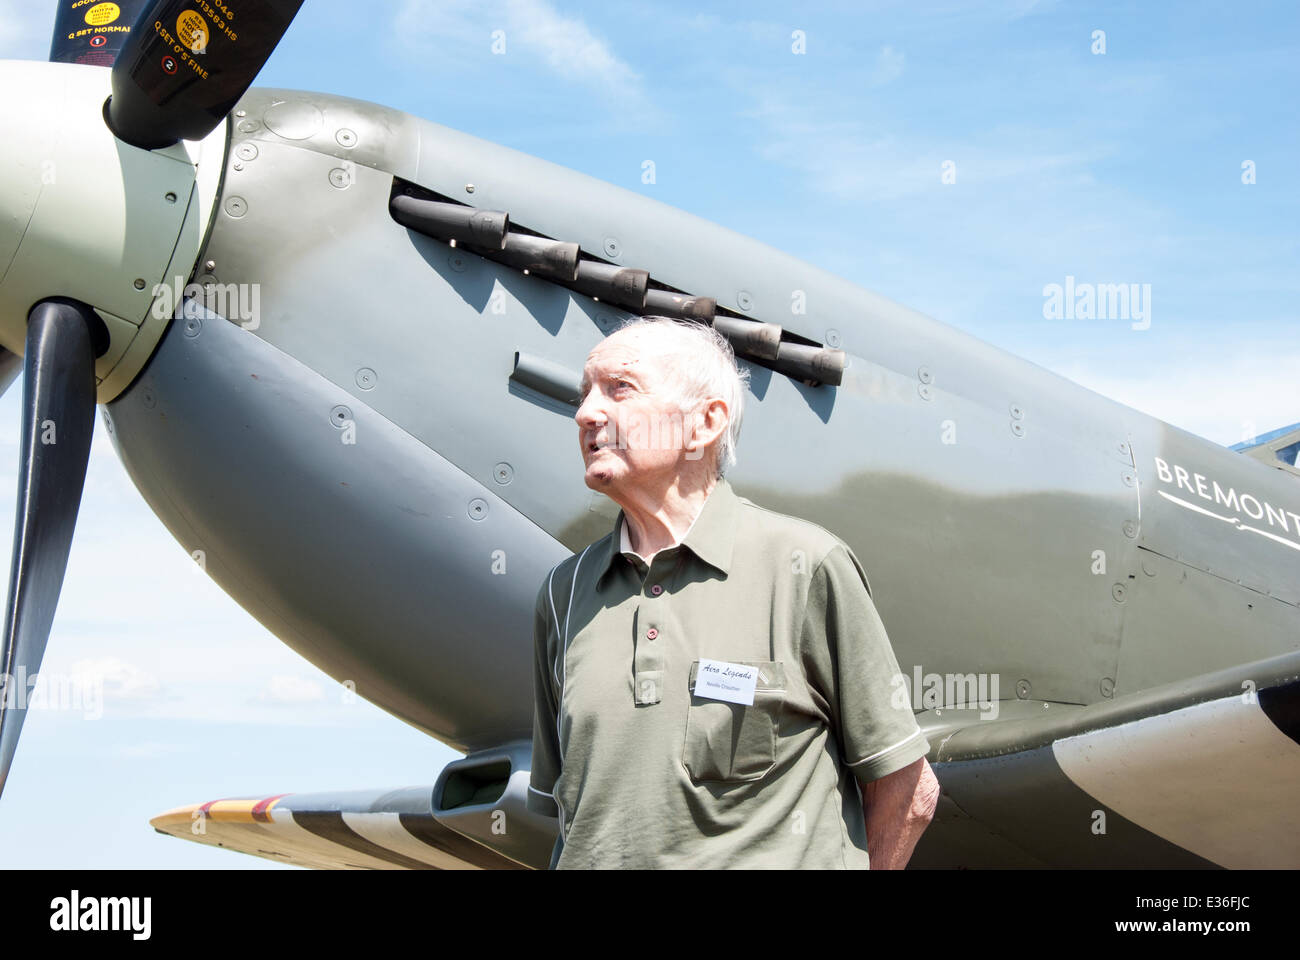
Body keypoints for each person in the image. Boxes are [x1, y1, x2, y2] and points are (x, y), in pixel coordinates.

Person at [526, 315, 938, 868]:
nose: (585, 413)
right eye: (585, 393)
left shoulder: (806, 566)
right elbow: (567, 810)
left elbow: (908, 790)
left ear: (705, 423)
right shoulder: (561, 593)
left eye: (619, 388)